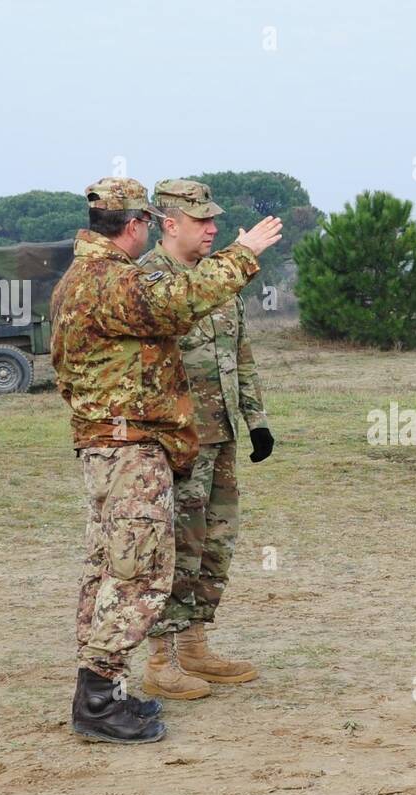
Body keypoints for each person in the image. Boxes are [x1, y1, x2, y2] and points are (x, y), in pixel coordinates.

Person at [50, 176, 281, 743]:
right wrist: (243, 255)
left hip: (128, 442)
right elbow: (176, 304)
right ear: (140, 225)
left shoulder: (90, 277)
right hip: (126, 447)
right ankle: (101, 701)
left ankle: (102, 694)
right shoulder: (110, 281)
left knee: (117, 569)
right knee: (136, 573)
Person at [136, 178, 272, 700]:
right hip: (173, 440)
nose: (213, 228)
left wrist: (256, 418)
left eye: (215, 220)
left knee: (213, 543)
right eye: (202, 221)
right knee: (172, 548)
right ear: (170, 224)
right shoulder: (148, 281)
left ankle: (194, 645)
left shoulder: (218, 281)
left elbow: (240, 353)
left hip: (220, 436)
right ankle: (159, 659)